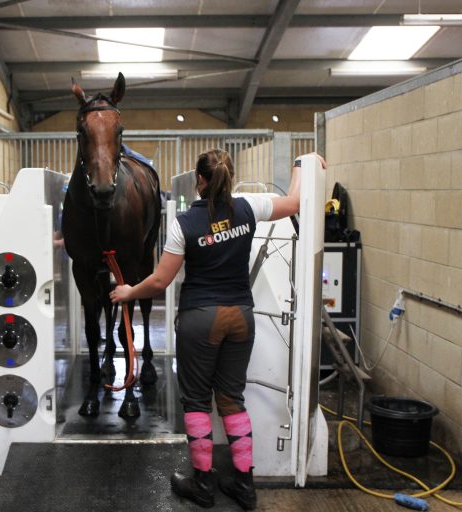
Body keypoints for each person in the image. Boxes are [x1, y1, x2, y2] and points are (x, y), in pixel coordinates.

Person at [110, 149, 325, 510]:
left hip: (201, 319)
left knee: (197, 402)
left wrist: (129, 291)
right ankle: (244, 484)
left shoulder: (184, 224)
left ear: (200, 181)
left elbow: (161, 281)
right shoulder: (248, 207)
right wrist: (303, 164)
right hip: (241, 316)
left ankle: (204, 483)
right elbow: (294, 202)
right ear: (229, 177)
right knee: (231, 400)